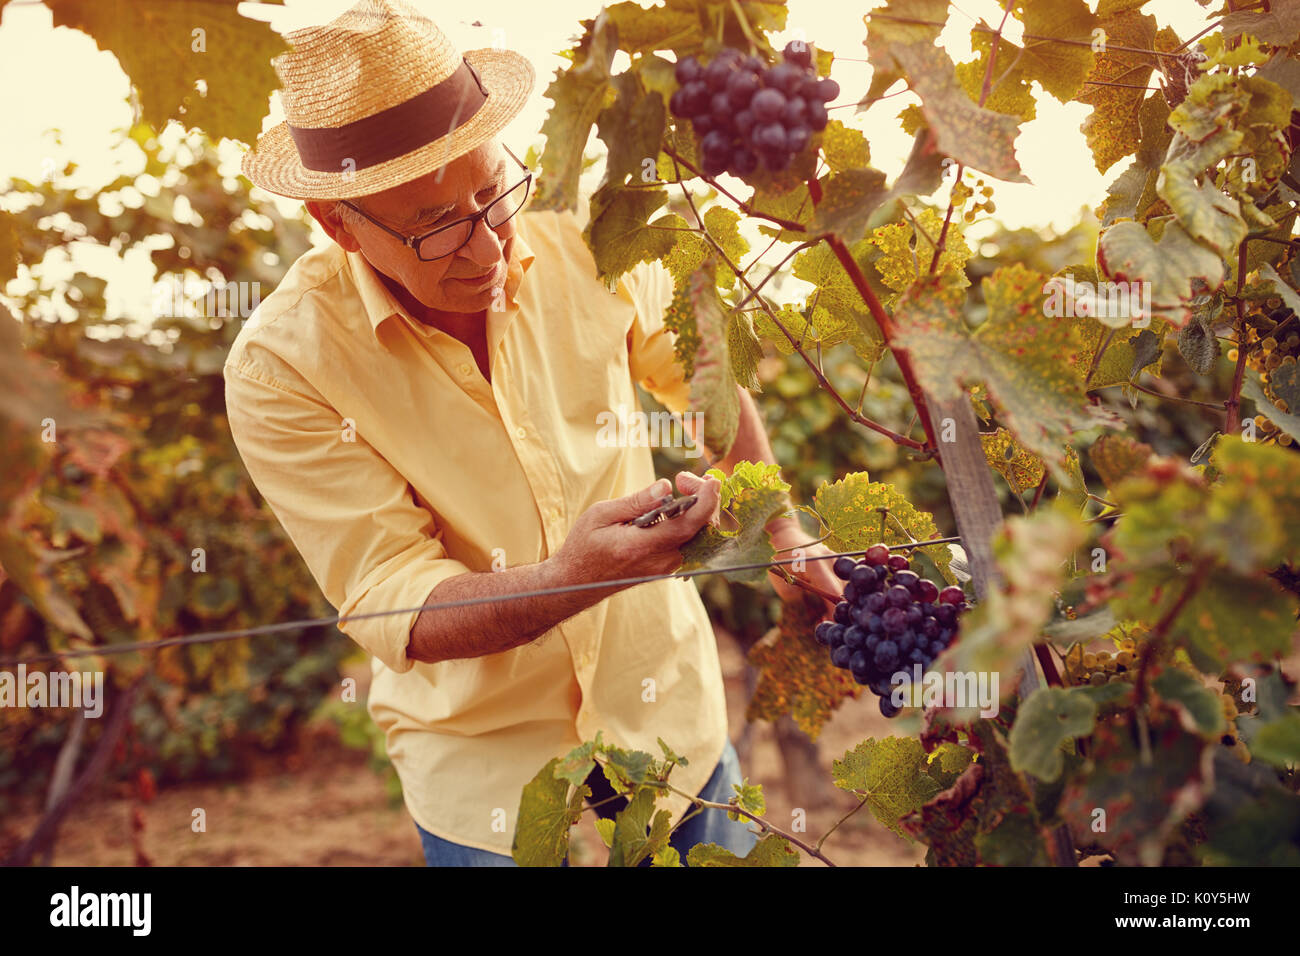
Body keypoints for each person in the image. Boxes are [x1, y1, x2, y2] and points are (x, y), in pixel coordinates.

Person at [228, 0, 840, 866]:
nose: (483, 248)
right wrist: (568, 581)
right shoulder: (281, 369)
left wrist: (777, 524)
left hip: (662, 697)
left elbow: (703, 374)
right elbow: (391, 599)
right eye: (437, 224)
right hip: (483, 760)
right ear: (340, 225)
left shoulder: (588, 225)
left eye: (491, 193)